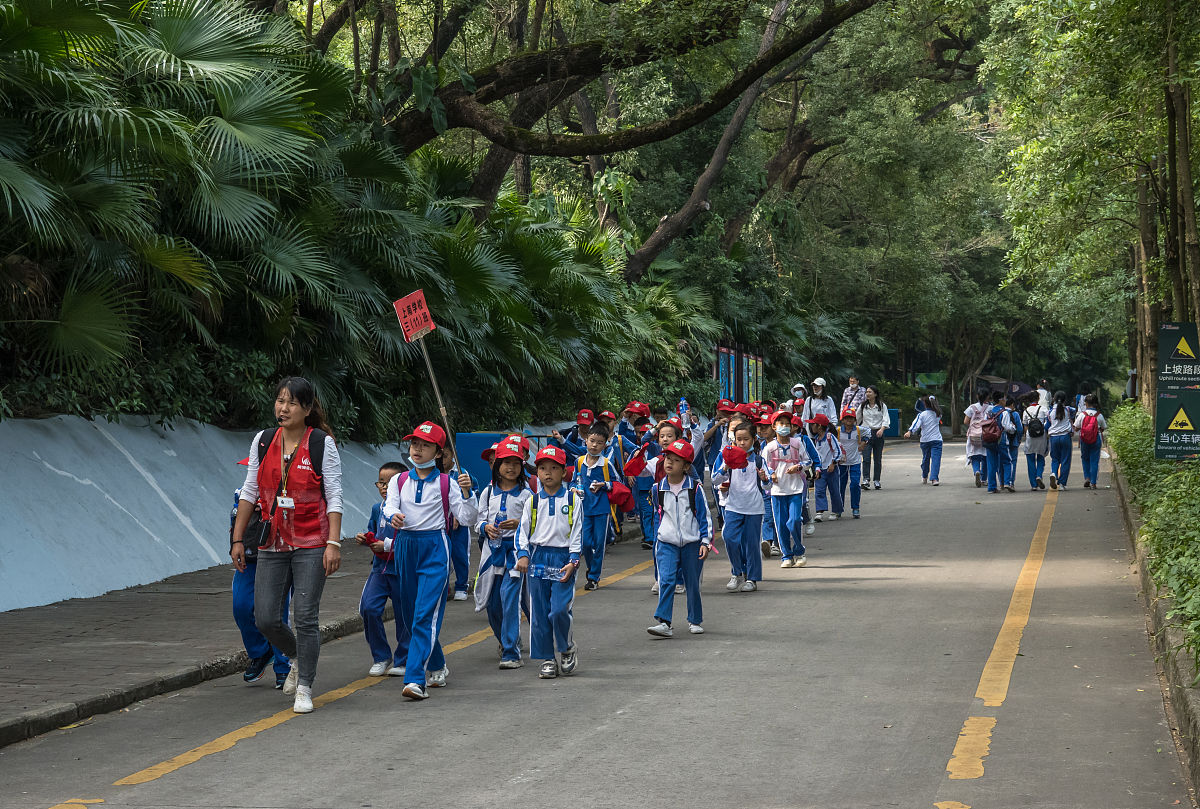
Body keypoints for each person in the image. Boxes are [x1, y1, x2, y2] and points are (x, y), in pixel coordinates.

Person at [231, 376, 344, 715]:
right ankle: (296, 656)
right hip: (273, 541)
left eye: (291, 402)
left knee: (306, 615)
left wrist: (334, 543)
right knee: (265, 616)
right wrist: (238, 538)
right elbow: (250, 490)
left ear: (307, 409)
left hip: (312, 541)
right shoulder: (264, 441)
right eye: (280, 401)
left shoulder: (322, 443)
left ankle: (305, 685)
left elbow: (335, 495)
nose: (283, 408)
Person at [382, 421, 477, 701]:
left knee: (425, 614)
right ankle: (436, 663)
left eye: (425, 445)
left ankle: (414, 680)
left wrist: (468, 493)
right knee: (411, 616)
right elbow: (390, 504)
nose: (418, 449)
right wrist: (391, 516)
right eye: (414, 444)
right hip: (405, 547)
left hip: (435, 547)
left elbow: (468, 519)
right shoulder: (399, 480)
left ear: (439, 452)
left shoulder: (448, 483)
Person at [516, 445, 582, 679]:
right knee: (540, 612)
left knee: (558, 610)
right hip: (538, 558)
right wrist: (522, 554)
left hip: (563, 559)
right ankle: (546, 658)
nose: (548, 473)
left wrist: (574, 561)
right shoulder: (532, 502)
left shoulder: (573, 500)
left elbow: (577, 532)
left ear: (564, 472)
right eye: (543, 468)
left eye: (554, 468)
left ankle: (566, 648)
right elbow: (522, 532)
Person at [229, 460, 290, 690]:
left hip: (279, 558)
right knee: (241, 607)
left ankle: (284, 668)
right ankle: (260, 652)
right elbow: (237, 516)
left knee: (277, 614)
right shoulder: (243, 493)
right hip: (250, 560)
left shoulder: (288, 491)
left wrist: (270, 505)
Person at [473, 440, 533, 669]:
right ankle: (505, 640)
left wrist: (520, 523)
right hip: (491, 555)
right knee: (493, 605)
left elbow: (535, 525)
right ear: (497, 465)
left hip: (516, 555)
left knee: (510, 601)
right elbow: (478, 521)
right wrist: (485, 528)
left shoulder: (527, 495)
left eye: (516, 463)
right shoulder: (487, 493)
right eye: (506, 462)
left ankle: (511, 652)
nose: (511, 467)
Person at [648, 440, 713, 636]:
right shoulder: (657, 488)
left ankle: (694, 620)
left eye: (676, 460)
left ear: (686, 466)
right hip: (667, 543)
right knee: (666, 580)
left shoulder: (695, 489)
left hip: (692, 544)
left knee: (692, 583)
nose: (669, 463)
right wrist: (657, 538)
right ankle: (664, 622)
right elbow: (658, 517)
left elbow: (705, 517)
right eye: (668, 458)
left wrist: (705, 542)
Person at [356, 462, 409, 677]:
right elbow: (373, 532)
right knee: (368, 608)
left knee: (404, 615)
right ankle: (381, 655)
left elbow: (413, 541)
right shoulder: (377, 508)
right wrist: (366, 539)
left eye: (391, 482)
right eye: (381, 482)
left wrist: (388, 546)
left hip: (403, 569)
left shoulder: (409, 509)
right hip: (379, 569)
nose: (385, 487)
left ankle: (403, 658)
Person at [712, 424, 767, 593]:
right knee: (729, 537)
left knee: (752, 544)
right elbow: (715, 480)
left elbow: (768, 485)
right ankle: (737, 572)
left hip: (754, 508)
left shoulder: (758, 460)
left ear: (753, 440)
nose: (742, 443)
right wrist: (726, 467)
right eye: (738, 439)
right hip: (733, 506)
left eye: (746, 439)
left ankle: (752, 578)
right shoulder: (726, 458)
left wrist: (765, 478)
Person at [763, 410, 818, 568]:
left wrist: (798, 467)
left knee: (794, 521)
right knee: (780, 524)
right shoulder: (770, 447)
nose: (785, 427)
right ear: (774, 426)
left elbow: (808, 461)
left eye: (788, 424)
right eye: (781, 424)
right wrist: (771, 474)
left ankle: (799, 551)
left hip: (795, 489)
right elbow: (764, 467)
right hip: (777, 491)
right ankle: (786, 555)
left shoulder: (797, 443)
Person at [574, 423, 619, 590]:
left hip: (602, 509)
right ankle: (591, 568)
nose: (594, 445)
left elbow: (617, 483)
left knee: (599, 544)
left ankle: (593, 577)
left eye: (599, 442)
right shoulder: (579, 462)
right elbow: (573, 481)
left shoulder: (606, 464)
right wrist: (573, 488)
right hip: (584, 509)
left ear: (605, 444)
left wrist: (604, 484)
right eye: (592, 440)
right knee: (585, 543)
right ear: (586, 440)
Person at [442, 444, 477, 602]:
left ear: (453, 456)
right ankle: (443, 586)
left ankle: (462, 586)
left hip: (458, 524)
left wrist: (457, 516)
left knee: (460, 554)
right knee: (442, 556)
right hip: (441, 523)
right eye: (439, 456)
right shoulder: (433, 474)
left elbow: (470, 493)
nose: (442, 460)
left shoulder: (461, 474)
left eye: (445, 456)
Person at [808, 413, 844, 518]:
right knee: (819, 490)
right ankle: (820, 511)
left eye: (813, 424)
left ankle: (836, 510)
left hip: (831, 469)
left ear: (819, 425)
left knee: (834, 491)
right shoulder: (815, 439)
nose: (811, 426)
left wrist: (833, 463)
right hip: (820, 470)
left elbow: (838, 451)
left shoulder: (830, 437)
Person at [904, 394, 944, 485]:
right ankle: (934, 479)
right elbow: (937, 411)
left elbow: (916, 424)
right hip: (937, 440)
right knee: (936, 459)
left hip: (925, 440)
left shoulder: (921, 415)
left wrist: (910, 432)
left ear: (925, 404)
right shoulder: (938, 414)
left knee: (926, 459)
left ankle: (924, 476)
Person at [755, 414, 779, 558]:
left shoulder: (781, 444)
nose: (761, 430)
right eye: (759, 427)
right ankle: (768, 542)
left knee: (779, 516)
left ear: (773, 427)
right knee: (768, 515)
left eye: (765, 427)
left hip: (781, 487)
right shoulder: (758, 445)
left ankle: (777, 542)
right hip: (765, 487)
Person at [836, 409, 867, 518]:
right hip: (841, 463)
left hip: (855, 462)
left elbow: (868, 433)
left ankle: (855, 508)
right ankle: (838, 508)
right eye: (846, 418)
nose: (849, 420)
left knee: (855, 484)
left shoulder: (859, 430)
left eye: (851, 418)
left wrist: (864, 442)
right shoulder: (838, 431)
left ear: (855, 420)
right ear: (842, 420)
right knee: (840, 486)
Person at [1074, 393, 1108, 489]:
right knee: (1094, 460)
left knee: (1085, 459)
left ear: (1086, 404)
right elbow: (1103, 428)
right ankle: (1093, 483)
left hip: (1084, 439)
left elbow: (1076, 428)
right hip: (1096, 439)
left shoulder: (1082, 415)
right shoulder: (1099, 415)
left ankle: (1087, 478)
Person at [859, 385, 889, 490]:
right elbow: (857, 418)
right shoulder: (863, 406)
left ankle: (877, 480)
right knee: (866, 458)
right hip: (866, 433)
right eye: (866, 392)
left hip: (878, 433)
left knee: (877, 459)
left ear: (875, 394)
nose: (867, 394)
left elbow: (886, 418)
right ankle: (866, 479)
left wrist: (882, 429)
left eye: (870, 392)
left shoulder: (881, 405)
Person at [1046, 391, 1075, 490]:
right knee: (1065, 460)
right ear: (1065, 400)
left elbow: (1047, 425)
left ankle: (1054, 473)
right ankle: (1062, 484)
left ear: (1054, 399)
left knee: (1055, 459)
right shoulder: (1068, 409)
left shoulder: (1050, 412)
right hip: (1065, 437)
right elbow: (1075, 410)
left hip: (1054, 437)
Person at [963, 390, 992, 489]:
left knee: (974, 456)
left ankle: (976, 471)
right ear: (987, 397)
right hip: (985, 435)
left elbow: (966, 421)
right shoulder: (990, 408)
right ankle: (984, 479)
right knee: (985, 457)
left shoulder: (972, 407)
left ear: (977, 396)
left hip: (973, 436)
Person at [1021, 393, 1049, 491]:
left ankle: (1033, 485)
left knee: (1030, 459)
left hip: (1030, 436)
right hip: (1041, 436)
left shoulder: (1026, 411)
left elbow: (1025, 426)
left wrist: (1027, 435)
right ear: (1038, 399)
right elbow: (1048, 422)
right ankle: (1039, 476)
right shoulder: (1044, 409)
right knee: (1041, 457)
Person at [1001, 395, 1024, 492]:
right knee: (1012, 461)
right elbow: (1019, 429)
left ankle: (1002, 483)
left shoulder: (1000, 413)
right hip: (1013, 441)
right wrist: (1019, 439)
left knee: (1002, 461)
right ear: (1012, 404)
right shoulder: (1016, 414)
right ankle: (1010, 482)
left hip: (1002, 441)